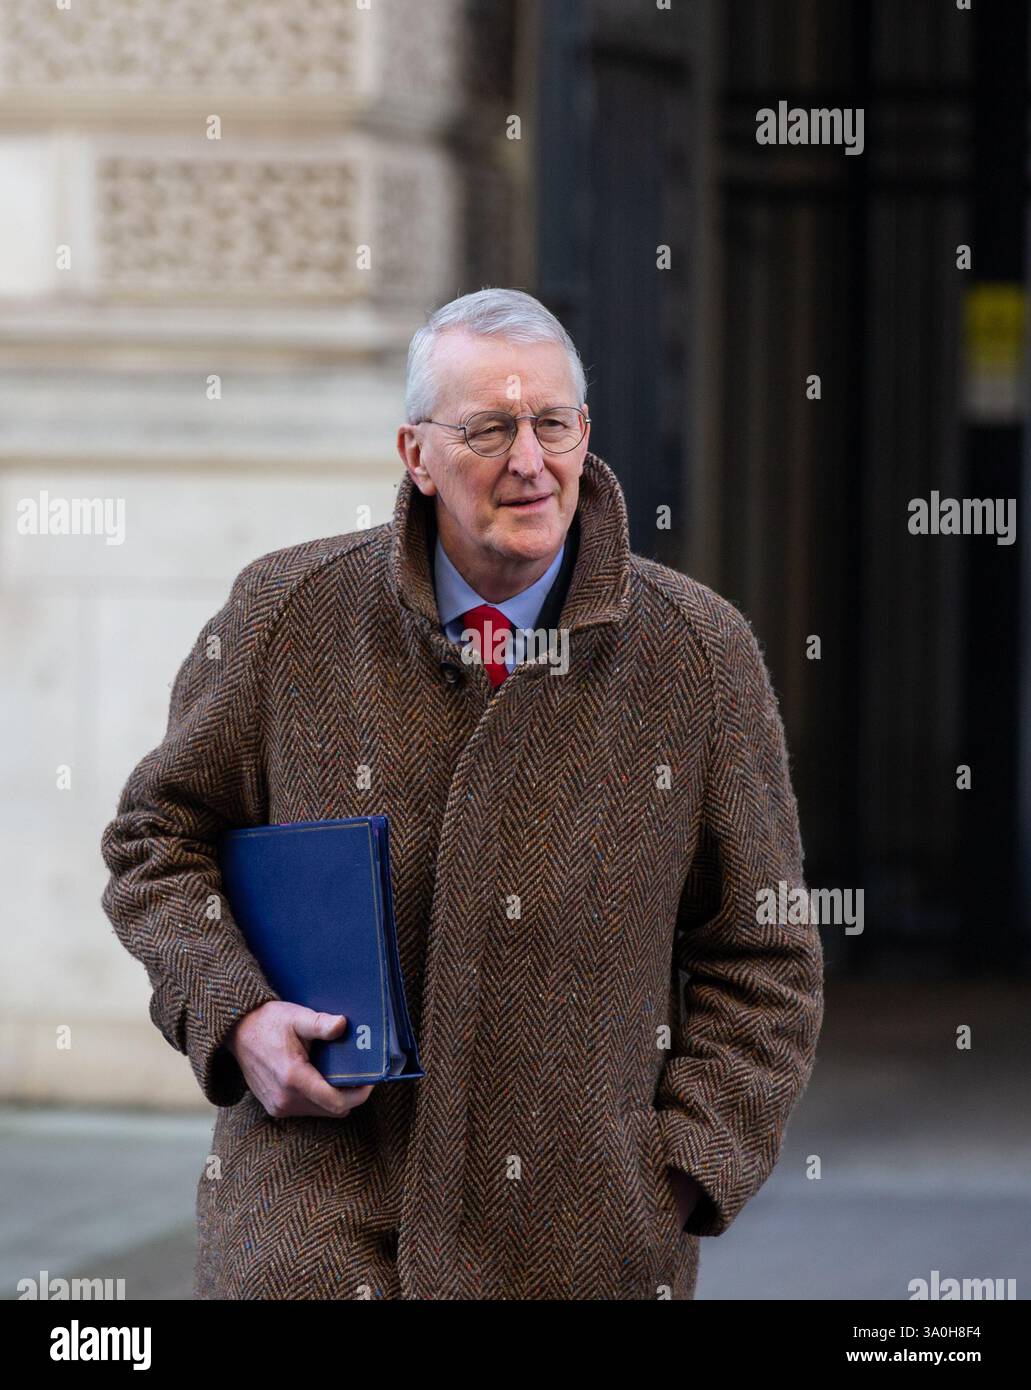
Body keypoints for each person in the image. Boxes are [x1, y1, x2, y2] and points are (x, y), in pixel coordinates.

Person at [100, 287, 824, 1300]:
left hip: (580, 1249)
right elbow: (155, 839)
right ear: (415, 454)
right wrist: (234, 1015)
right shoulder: (286, 616)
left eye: (552, 423)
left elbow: (762, 949)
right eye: (486, 427)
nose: (529, 460)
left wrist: (680, 1173)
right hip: (310, 1220)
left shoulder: (695, 654)